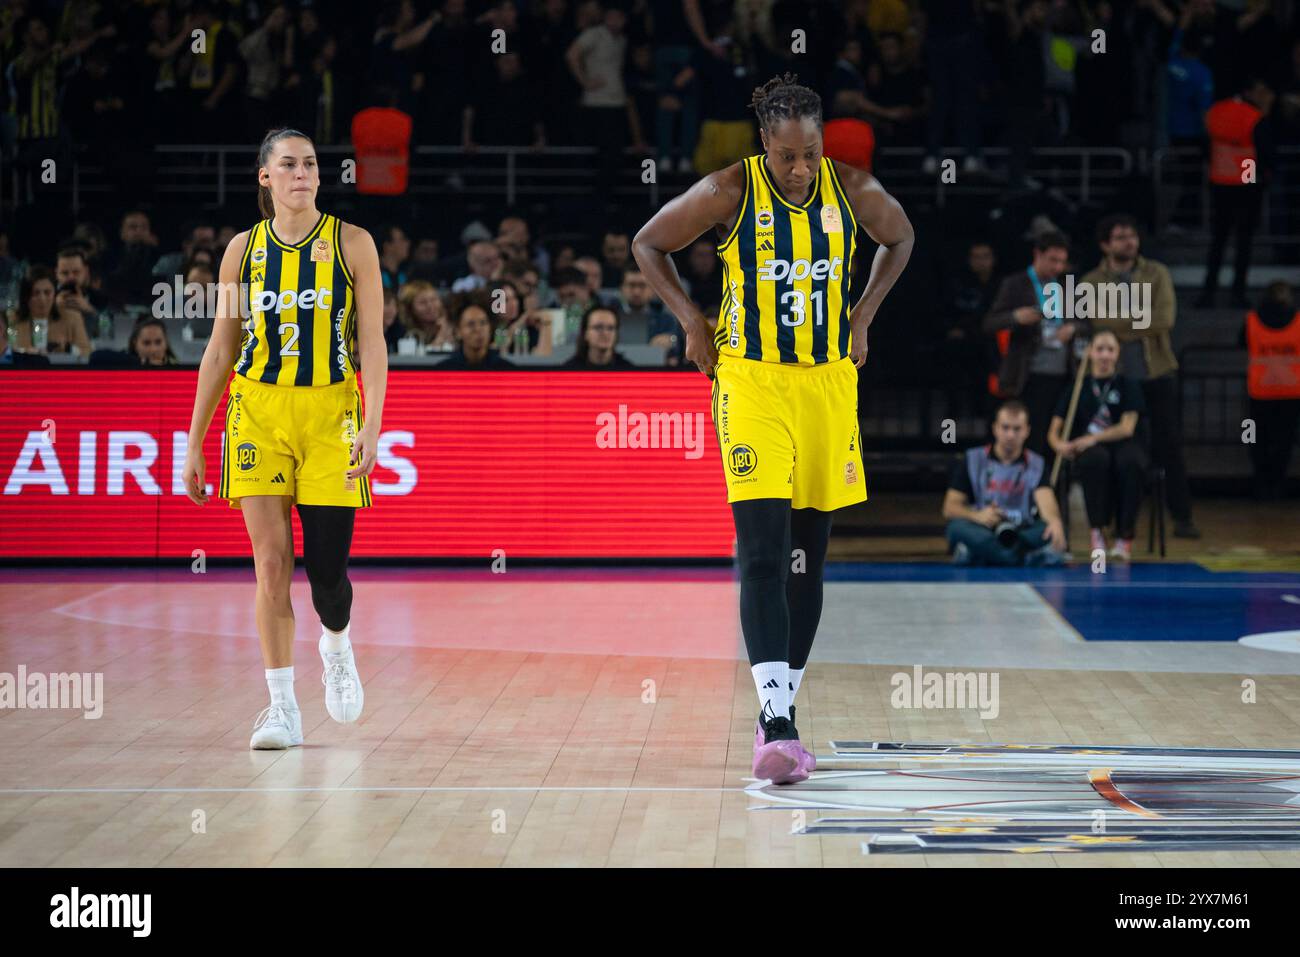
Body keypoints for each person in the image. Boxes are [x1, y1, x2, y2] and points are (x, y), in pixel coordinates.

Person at [633, 73, 913, 785]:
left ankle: (778, 711)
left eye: (810, 153)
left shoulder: (851, 188)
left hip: (825, 385)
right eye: (787, 155)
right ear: (765, 145)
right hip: (752, 381)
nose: (799, 169)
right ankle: (777, 720)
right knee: (762, 547)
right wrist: (693, 321)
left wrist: (864, 314)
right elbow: (647, 244)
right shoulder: (731, 188)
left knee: (807, 558)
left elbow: (901, 237)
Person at [181, 128, 388, 751]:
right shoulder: (241, 251)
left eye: (312, 165)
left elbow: (373, 342)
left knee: (327, 574)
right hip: (258, 411)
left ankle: (336, 643)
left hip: (331, 412)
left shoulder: (352, 243)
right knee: (270, 565)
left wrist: (373, 422)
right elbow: (220, 347)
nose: (304, 173)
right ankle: (280, 708)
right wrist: (194, 439)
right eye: (289, 165)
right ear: (265, 177)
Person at [1080, 214, 1199, 538]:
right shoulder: (1091, 281)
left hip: (1156, 372)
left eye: (1131, 236)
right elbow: (1096, 323)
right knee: (1119, 450)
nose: (1128, 242)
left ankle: (1182, 517)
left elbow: (1164, 320)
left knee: (1169, 447)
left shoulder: (1156, 272)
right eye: (1119, 237)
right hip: (1114, 379)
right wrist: (1135, 316)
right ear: (1105, 244)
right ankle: (1114, 523)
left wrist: (1118, 321)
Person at [983, 231, 1086, 460]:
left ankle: (1050, 489)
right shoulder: (1015, 283)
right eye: (1053, 260)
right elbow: (990, 322)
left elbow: (1085, 322)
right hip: (1028, 373)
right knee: (1030, 436)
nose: (1058, 266)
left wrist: (1073, 329)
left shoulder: (1067, 284)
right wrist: (1016, 318)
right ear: (1037, 255)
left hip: (1062, 372)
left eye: (1062, 261)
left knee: (1056, 436)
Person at [1047, 329, 1146, 562]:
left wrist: (1092, 438)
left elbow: (1127, 427)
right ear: (1090, 352)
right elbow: (1054, 430)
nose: (1105, 355)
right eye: (1100, 349)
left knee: (1132, 463)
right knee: (1095, 460)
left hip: (1122, 444)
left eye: (1110, 350)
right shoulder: (1077, 387)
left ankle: (1125, 535)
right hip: (1092, 451)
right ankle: (1097, 531)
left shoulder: (1127, 384)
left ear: (1117, 353)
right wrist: (1059, 446)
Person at [942, 400, 1067, 566]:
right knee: (955, 528)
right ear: (995, 429)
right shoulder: (973, 458)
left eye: (1017, 429)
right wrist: (977, 516)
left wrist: (1054, 522)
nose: (1010, 435)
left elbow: (1047, 504)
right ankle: (1024, 558)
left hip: (1022, 532)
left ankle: (980, 555)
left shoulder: (1037, 464)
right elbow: (949, 508)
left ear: (1027, 431)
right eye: (1005, 428)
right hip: (984, 529)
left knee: (1051, 530)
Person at [1241, 281, 1300, 499]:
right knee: (1284, 440)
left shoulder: (1252, 320)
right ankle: (1277, 483)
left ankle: (1260, 481)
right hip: (1291, 392)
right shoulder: (1298, 321)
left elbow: (1241, 343)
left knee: (1253, 437)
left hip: (1259, 391)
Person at [6, 266, 92, 356]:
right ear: (26, 296)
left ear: (55, 294)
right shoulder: (11, 319)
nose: (42, 299)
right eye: (36, 293)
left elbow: (87, 353)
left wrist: (69, 349)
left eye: (47, 293)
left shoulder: (72, 317)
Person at [436, 297, 515, 369]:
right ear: (458, 331)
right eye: (471, 324)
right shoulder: (444, 370)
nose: (478, 329)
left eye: (483, 323)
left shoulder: (506, 370)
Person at [562, 305, 635, 368]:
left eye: (610, 328)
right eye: (598, 327)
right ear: (585, 333)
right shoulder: (569, 370)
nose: (605, 333)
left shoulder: (629, 371)